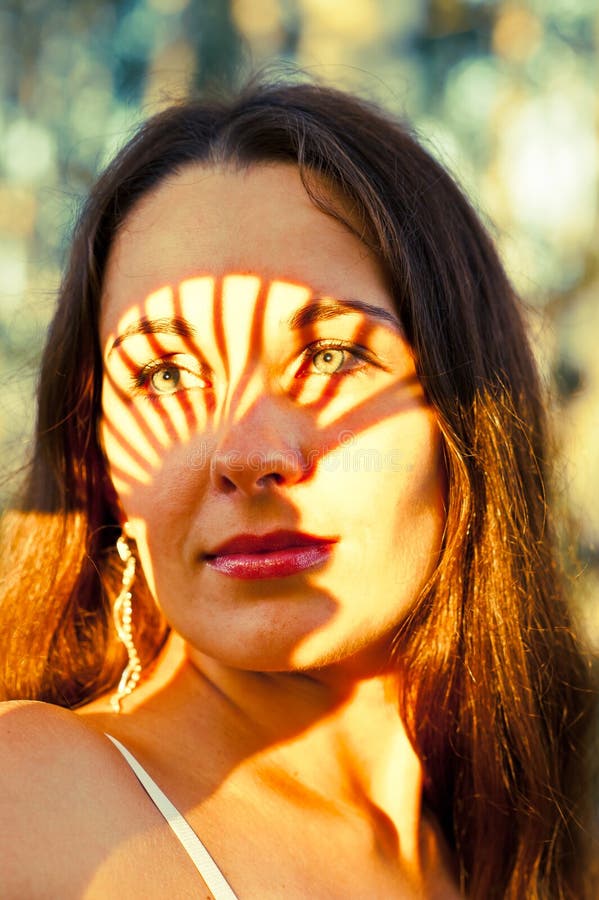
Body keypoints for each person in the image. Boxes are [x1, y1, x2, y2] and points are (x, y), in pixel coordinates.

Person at [0, 78, 595, 899]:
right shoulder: (32, 806)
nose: (246, 455)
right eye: (166, 373)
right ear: (100, 469)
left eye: (330, 357)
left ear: (463, 425)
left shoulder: (539, 848)